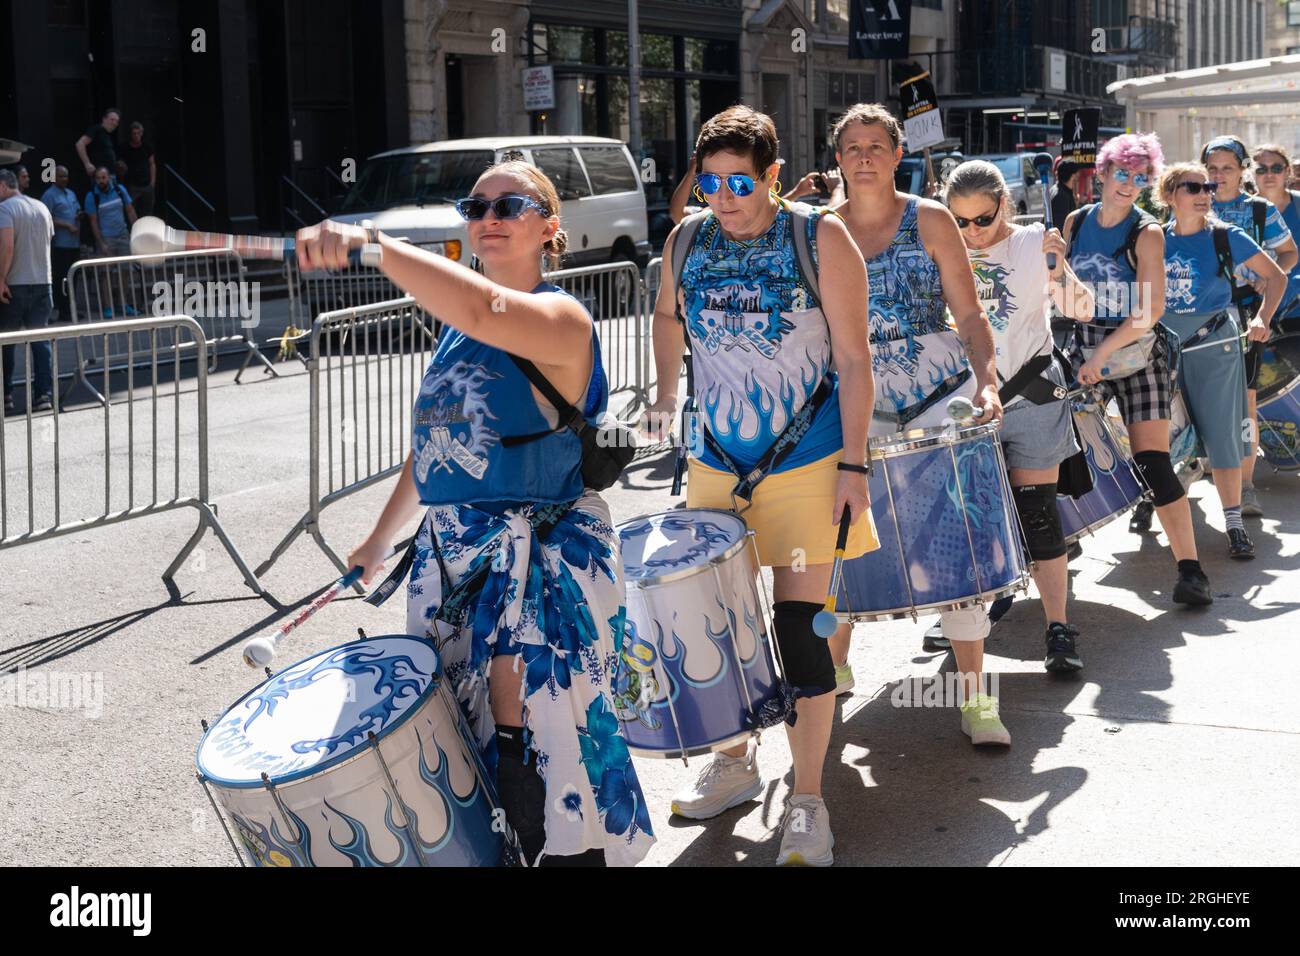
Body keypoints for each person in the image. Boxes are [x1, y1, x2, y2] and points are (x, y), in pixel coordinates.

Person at [304, 159, 654, 867]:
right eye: (476, 205)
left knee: (542, 743)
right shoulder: (455, 333)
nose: (488, 217)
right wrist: (378, 539)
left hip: (538, 562)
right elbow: (437, 443)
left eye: (510, 205)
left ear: (550, 227)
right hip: (453, 559)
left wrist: (371, 245)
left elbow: (481, 307)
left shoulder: (562, 317)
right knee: (469, 744)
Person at [643, 105, 874, 866]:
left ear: (773, 175)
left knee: (801, 638)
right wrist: (665, 396)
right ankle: (737, 763)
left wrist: (855, 466)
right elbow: (668, 318)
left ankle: (806, 801)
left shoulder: (819, 235)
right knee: (716, 629)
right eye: (709, 182)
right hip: (716, 464)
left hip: (808, 462)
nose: (724, 195)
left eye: (740, 181)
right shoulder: (686, 240)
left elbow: (854, 360)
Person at [828, 103, 1012, 743]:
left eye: (877, 144)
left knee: (958, 543)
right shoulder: (822, 228)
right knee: (841, 543)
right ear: (838, 157)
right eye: (853, 146)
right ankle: (834, 675)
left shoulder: (930, 218)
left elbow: (968, 313)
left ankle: (975, 697)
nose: (865, 155)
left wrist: (988, 381)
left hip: (937, 390)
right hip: (857, 398)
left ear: (897, 153)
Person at [936, 159, 1094, 672]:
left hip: (1031, 396)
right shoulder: (939, 245)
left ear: (1005, 203)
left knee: (1040, 516)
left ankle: (1059, 629)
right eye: (960, 221)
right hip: (966, 403)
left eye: (982, 220)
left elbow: (1083, 309)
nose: (972, 233)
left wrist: (1058, 267)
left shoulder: (1032, 242)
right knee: (972, 519)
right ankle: (968, 624)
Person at [1062, 132, 1213, 604]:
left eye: (1139, 177)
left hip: (1136, 353)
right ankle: (1059, 541)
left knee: (1152, 462)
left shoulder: (1146, 231)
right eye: (1121, 174)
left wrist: (1102, 356)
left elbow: (1149, 310)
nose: (1129, 184)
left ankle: (1191, 572)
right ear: (1102, 174)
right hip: (1085, 345)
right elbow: (1061, 294)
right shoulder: (1074, 221)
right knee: (1056, 452)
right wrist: (1051, 267)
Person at [1157, 162, 1286, 559]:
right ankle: (1154, 500)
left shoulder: (1226, 236)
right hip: (1163, 346)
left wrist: (1263, 318)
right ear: (1169, 195)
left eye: (1207, 186)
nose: (1203, 193)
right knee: (1158, 433)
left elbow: (1277, 276)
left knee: (1225, 434)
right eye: (1192, 186)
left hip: (1215, 344)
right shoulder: (1152, 239)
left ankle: (1233, 522)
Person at [1201, 135, 1298, 518]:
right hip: (1197, 318)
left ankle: (1246, 486)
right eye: (1212, 168)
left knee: (1245, 402)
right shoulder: (1193, 204)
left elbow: (1289, 252)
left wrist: (1271, 276)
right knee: (1195, 401)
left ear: (1243, 171)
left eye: (1227, 168)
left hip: (1244, 316)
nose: (1218, 175)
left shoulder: (1259, 210)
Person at [0, 168, 56, 415]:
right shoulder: (41, 207)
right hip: (43, 282)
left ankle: (6, 395)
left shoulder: (5, 209)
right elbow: (48, 240)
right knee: (40, 341)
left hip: (14, 285)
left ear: (3, 186)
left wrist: (1, 278)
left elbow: (7, 246)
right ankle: (43, 395)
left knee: (6, 343)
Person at [1251, 144, 1300, 322]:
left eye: (1276, 168)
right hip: (1255, 310)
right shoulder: (1241, 210)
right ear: (1251, 173)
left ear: (1288, 171)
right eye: (1261, 169)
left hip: (1296, 308)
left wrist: (1272, 275)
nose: (1269, 174)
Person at [83, 166, 138, 318]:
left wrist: (138, 230)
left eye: (103, 177)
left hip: (123, 236)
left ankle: (123, 304)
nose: (101, 181)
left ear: (109, 178)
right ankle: (108, 307)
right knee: (105, 273)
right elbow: (93, 222)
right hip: (106, 238)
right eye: (98, 178)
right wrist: (101, 243)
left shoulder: (120, 190)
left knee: (126, 271)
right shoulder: (91, 196)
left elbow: (130, 210)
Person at [40, 166, 80, 321]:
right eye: (62, 176)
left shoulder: (71, 194)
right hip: (60, 244)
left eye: (66, 176)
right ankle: (60, 309)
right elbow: (46, 218)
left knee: (73, 276)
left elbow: (76, 210)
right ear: (54, 178)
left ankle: (70, 309)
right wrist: (66, 225)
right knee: (60, 278)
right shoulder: (49, 195)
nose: (65, 179)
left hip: (74, 243)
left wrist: (78, 216)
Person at [120, 121, 156, 217]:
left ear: (141, 133)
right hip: (132, 185)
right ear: (131, 134)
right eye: (134, 133)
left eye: (138, 133)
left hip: (146, 185)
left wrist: (152, 183)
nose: (136, 135)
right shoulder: (125, 147)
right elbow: (120, 163)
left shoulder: (147, 147)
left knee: (147, 212)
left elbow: (152, 164)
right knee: (131, 211)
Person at [75, 107, 120, 180]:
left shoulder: (108, 135)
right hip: (100, 177)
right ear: (104, 119)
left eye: (117, 121)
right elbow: (80, 144)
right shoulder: (97, 129)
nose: (114, 123)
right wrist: (87, 164)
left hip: (110, 176)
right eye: (112, 120)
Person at [1051, 158, 1082, 227]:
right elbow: (1061, 226)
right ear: (1073, 175)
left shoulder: (1056, 189)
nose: (1079, 174)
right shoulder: (1061, 197)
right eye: (1077, 172)